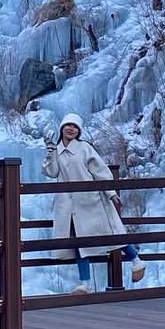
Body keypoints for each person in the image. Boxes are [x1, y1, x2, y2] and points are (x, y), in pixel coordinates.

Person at [42, 112, 146, 292]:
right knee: (78, 243)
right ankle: (85, 284)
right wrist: (50, 152)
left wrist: (111, 192)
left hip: (91, 200)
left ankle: (136, 261)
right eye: (68, 125)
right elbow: (51, 172)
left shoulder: (84, 148)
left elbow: (100, 170)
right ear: (61, 127)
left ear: (79, 131)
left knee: (111, 233)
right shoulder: (57, 149)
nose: (71, 129)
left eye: (75, 127)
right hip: (69, 205)